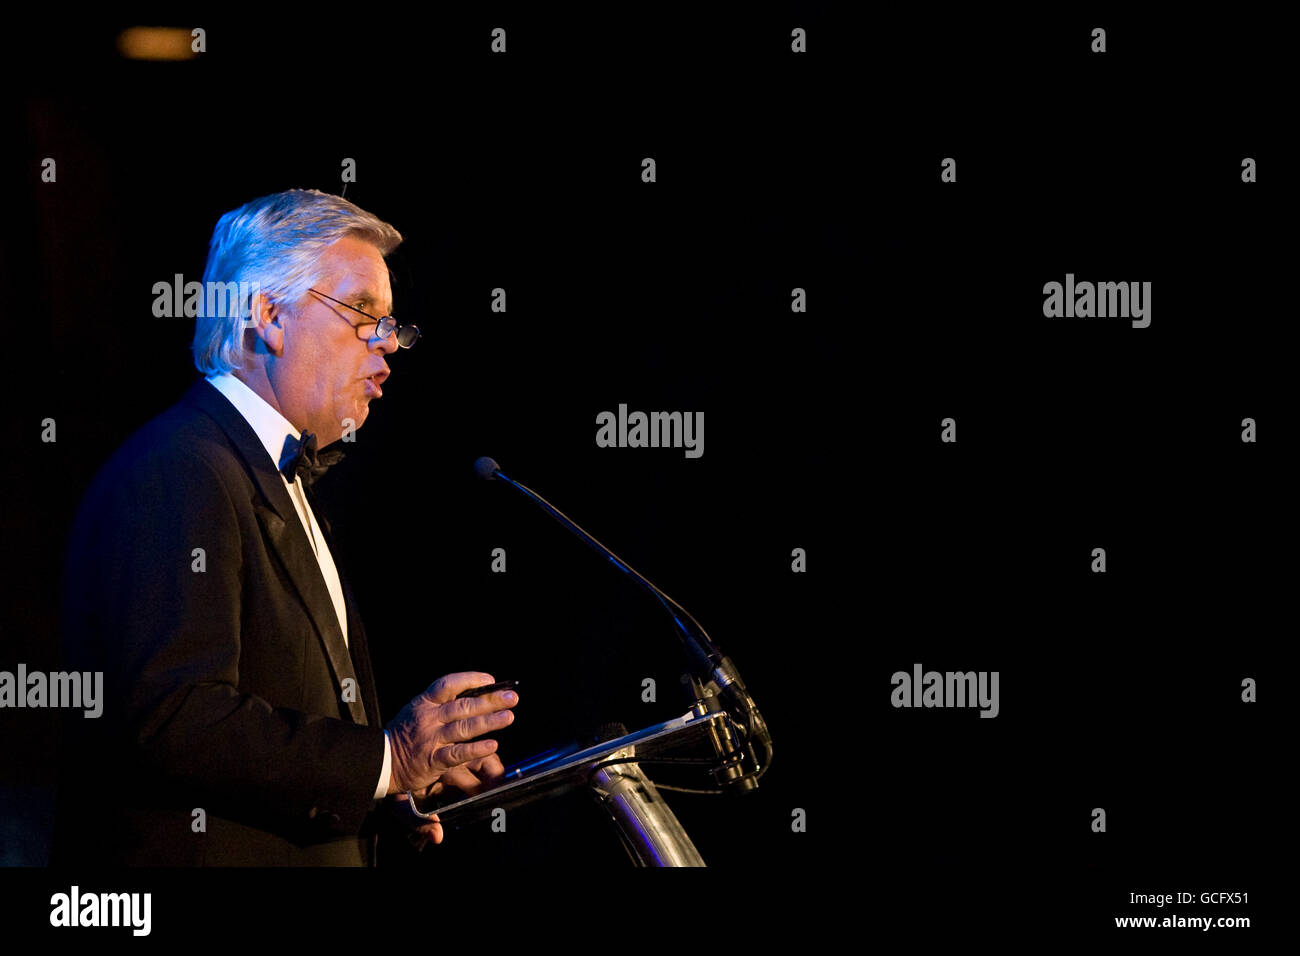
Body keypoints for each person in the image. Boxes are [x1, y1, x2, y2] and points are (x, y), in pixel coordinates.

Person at [54, 188, 517, 865]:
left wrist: (385, 788)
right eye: (364, 313)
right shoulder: (180, 468)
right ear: (268, 315)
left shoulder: (276, 477)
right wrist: (388, 758)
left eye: (394, 323)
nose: (389, 344)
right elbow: (174, 716)